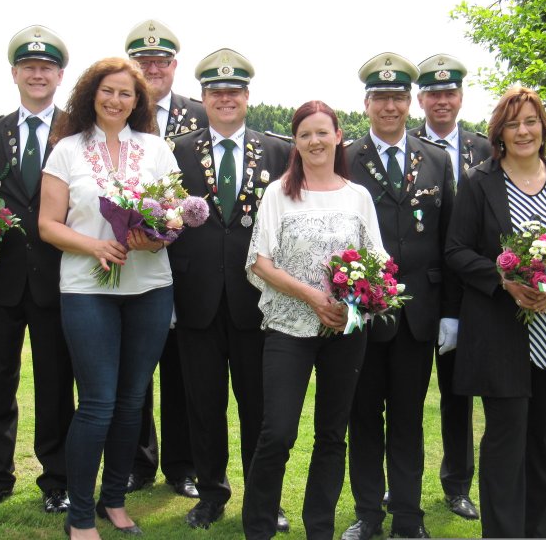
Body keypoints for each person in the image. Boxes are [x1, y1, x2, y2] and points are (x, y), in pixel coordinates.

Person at [445, 85, 546, 538]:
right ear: (500, 132)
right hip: (500, 335)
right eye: (513, 124)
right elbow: (456, 250)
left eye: (531, 121)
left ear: (544, 128)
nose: (523, 131)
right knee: (506, 441)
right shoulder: (479, 181)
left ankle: (539, 531)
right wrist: (503, 280)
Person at [39, 57, 176, 539]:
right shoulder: (67, 151)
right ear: (90, 94)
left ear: (138, 101)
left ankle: (114, 501)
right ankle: (79, 516)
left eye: (126, 93)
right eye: (107, 91)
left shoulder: (157, 149)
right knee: (97, 401)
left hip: (150, 288)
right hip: (86, 288)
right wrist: (95, 244)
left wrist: (154, 236)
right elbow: (48, 224)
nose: (116, 100)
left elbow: (172, 219)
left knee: (132, 400)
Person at [242, 101, 383, 540]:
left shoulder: (357, 196)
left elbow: (379, 261)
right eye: (305, 134)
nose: (315, 141)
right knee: (277, 432)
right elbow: (260, 263)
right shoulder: (278, 193)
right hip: (288, 326)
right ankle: (259, 528)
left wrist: (355, 303)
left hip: (344, 331)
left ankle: (319, 528)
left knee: (331, 435)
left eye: (323, 132)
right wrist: (311, 296)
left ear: (339, 136)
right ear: (295, 142)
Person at [167, 48, 292, 531]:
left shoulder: (279, 151)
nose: (225, 99)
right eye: (216, 92)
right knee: (203, 404)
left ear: (246, 96)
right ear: (203, 97)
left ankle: (266, 499)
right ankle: (212, 493)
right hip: (195, 300)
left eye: (233, 91)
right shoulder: (175, 151)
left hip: (257, 301)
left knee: (260, 408)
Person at [342, 53, 457, 540]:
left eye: (397, 97)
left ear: (410, 103)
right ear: (366, 103)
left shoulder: (436, 159)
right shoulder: (344, 158)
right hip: (360, 315)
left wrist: (451, 314)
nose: (389, 106)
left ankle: (408, 517)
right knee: (362, 416)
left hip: (418, 316)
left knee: (408, 419)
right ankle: (368, 514)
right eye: (380, 98)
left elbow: (450, 240)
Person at [0, 25, 74, 514]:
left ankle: (56, 480)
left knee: (55, 384)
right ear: (14, 73)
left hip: (57, 278)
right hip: (3, 279)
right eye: (29, 67)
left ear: (59, 75)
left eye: (46, 67)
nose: (37, 74)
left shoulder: (76, 129)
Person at [123, 19, 207, 499]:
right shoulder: (118, 112)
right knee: (136, 369)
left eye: (161, 61)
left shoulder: (200, 115)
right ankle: (139, 462)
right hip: (135, 260)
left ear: (175, 66)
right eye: (143, 62)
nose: (152, 68)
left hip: (190, 265)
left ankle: (183, 465)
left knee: (183, 371)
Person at [407, 53, 491, 522]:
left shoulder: (484, 149)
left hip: (474, 293)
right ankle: (401, 485)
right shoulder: (406, 144)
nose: (442, 100)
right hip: (421, 291)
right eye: (434, 93)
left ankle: (458, 484)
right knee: (406, 395)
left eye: (450, 92)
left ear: (460, 96)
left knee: (459, 395)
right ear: (421, 98)